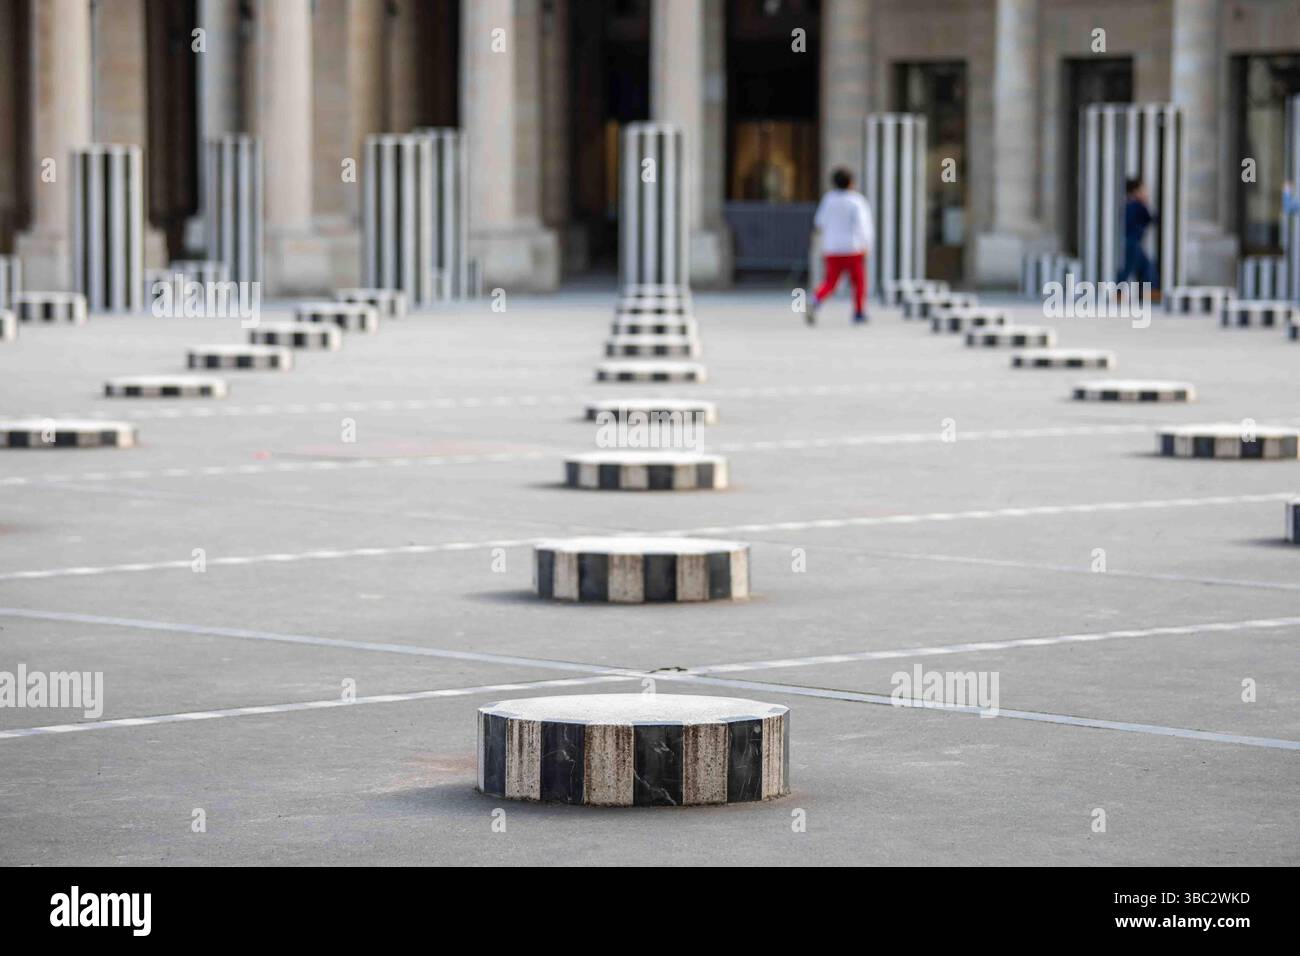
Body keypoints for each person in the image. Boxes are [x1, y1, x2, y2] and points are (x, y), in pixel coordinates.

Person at [809, 167, 873, 325]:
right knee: (858, 283)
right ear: (851, 182)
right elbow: (863, 225)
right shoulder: (856, 200)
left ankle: (815, 300)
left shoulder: (828, 199)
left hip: (832, 248)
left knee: (830, 282)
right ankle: (858, 312)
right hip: (853, 248)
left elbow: (819, 222)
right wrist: (866, 244)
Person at [1116, 177, 1158, 290]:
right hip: (1132, 242)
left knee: (1139, 268)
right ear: (1135, 192)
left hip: (1128, 242)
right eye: (1143, 190)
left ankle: (1148, 292)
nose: (1146, 194)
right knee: (1143, 269)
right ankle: (1150, 293)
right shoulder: (1138, 205)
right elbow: (1152, 219)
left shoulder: (1127, 205)